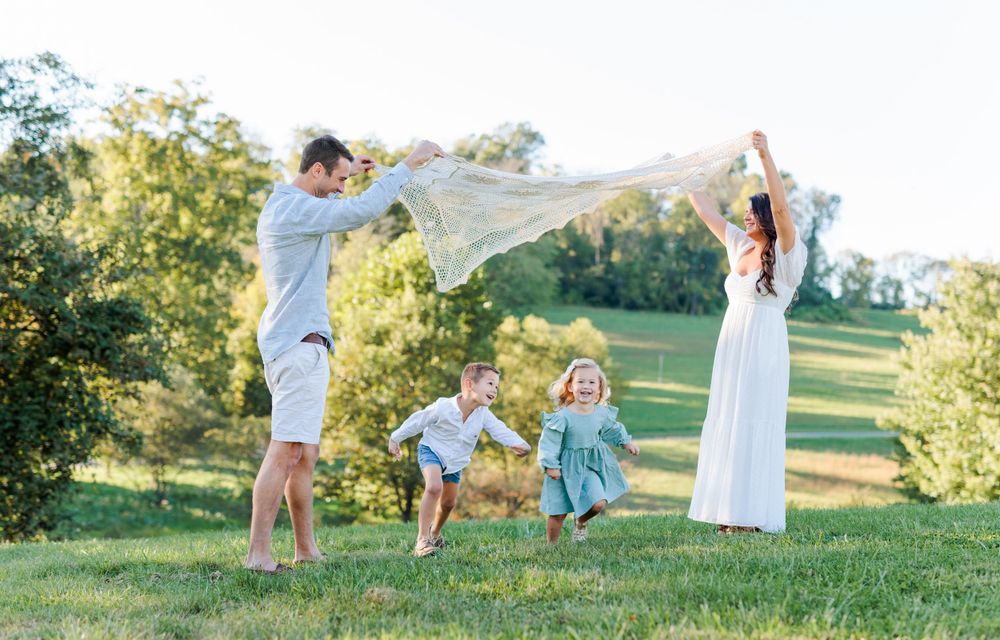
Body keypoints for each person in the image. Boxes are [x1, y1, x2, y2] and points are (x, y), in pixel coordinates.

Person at [245, 135, 444, 573]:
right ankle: (258, 556)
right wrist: (408, 163)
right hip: (297, 348)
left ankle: (305, 549)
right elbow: (360, 212)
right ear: (316, 170)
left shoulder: (290, 205)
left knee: (304, 454)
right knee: (285, 451)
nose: (342, 187)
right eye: (337, 178)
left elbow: (339, 191)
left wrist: (351, 168)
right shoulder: (293, 208)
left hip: (302, 345)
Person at [685, 130, 808, 534]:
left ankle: (752, 516)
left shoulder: (788, 250)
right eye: (747, 211)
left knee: (755, 418)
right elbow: (706, 212)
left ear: (768, 217)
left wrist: (765, 155)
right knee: (729, 416)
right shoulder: (739, 246)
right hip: (733, 343)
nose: (746, 216)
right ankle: (727, 512)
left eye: (755, 210)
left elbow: (782, 207)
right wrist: (685, 175)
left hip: (764, 345)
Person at [388, 362, 532, 557]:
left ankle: (435, 533)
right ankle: (422, 540)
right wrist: (395, 438)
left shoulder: (483, 414)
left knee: (448, 503)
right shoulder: (443, 407)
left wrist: (520, 443)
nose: (494, 390)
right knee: (434, 487)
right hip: (432, 451)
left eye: (497, 386)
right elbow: (418, 420)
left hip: (456, 461)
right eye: (490, 384)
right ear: (469, 384)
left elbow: (499, 429)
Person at [537, 358, 640, 543]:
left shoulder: (601, 413)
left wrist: (626, 443)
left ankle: (581, 522)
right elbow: (549, 442)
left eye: (592, 382)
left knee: (598, 503)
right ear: (570, 386)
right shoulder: (563, 417)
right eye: (581, 381)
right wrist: (550, 465)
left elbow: (613, 429)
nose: (586, 386)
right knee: (558, 513)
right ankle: (552, 547)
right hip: (563, 468)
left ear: (599, 388)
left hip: (590, 466)